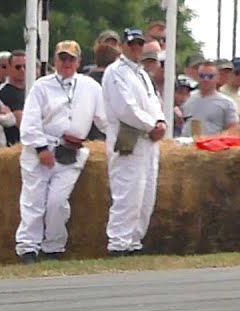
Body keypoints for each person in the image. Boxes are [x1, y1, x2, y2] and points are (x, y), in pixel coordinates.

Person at [13, 41, 108, 263]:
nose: (66, 63)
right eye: (62, 58)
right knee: (33, 200)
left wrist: (119, 140)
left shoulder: (91, 87)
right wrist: (40, 148)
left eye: (71, 59)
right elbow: (30, 122)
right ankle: (28, 247)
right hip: (41, 147)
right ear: (55, 60)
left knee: (57, 201)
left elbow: (105, 120)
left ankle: (54, 246)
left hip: (71, 150)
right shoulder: (41, 86)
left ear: (78, 62)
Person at [100, 28, 165, 256]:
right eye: (132, 44)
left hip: (148, 142)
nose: (136, 48)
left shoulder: (143, 74)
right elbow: (125, 108)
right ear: (123, 46)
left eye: (139, 44)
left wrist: (160, 122)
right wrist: (151, 125)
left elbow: (155, 102)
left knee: (146, 195)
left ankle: (134, 242)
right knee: (128, 192)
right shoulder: (115, 72)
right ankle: (118, 242)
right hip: (129, 139)